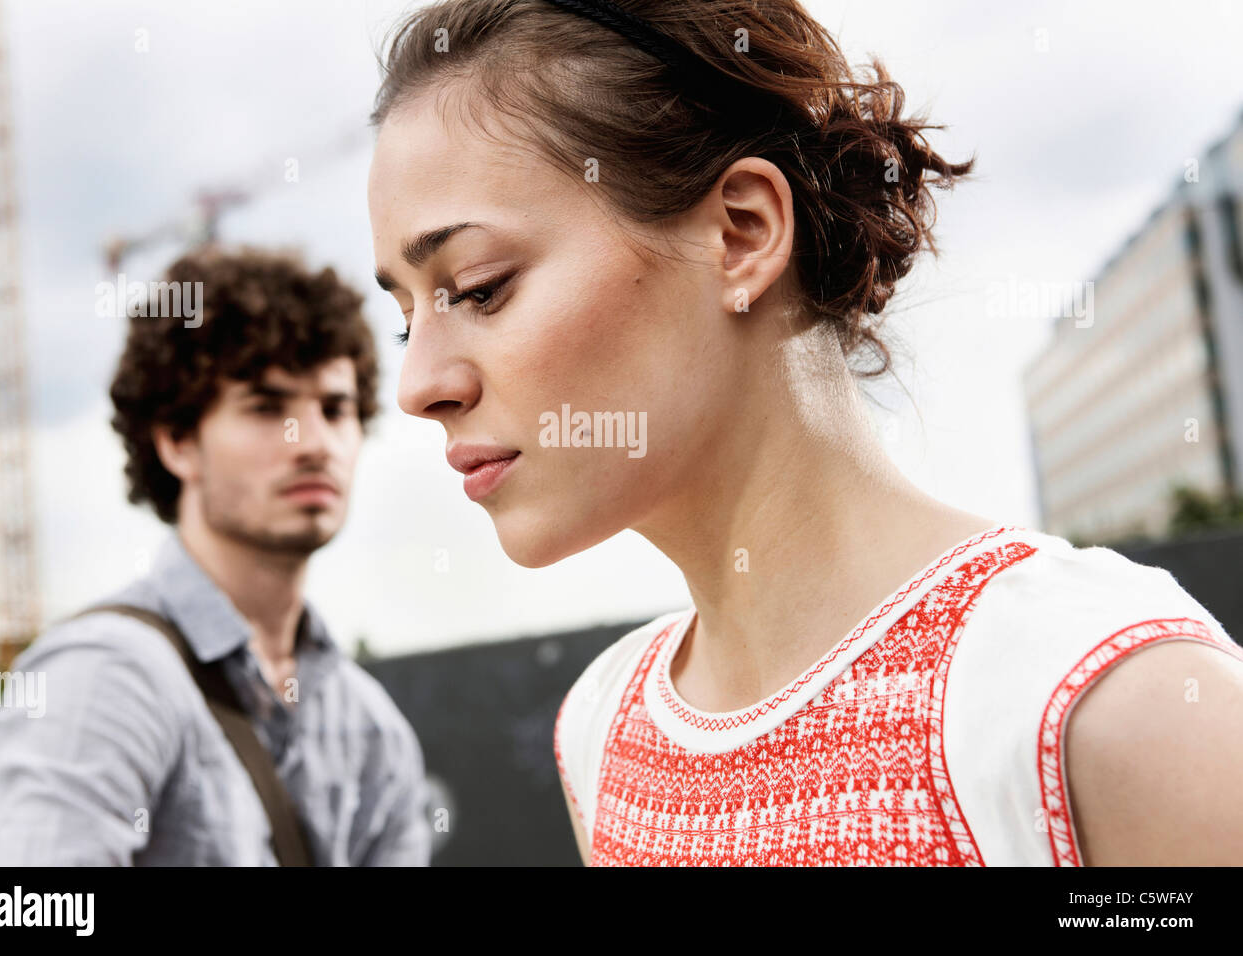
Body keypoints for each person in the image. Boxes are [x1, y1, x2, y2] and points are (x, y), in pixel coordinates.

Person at [364, 0, 1243, 866]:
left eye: (480, 288)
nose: (418, 386)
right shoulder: (605, 730)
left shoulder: (1102, 697)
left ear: (743, 233)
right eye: (407, 319)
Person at [0, 246, 432, 866]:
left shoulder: (372, 726)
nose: (315, 443)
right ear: (178, 441)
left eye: (334, 408)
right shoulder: (105, 676)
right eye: (267, 407)